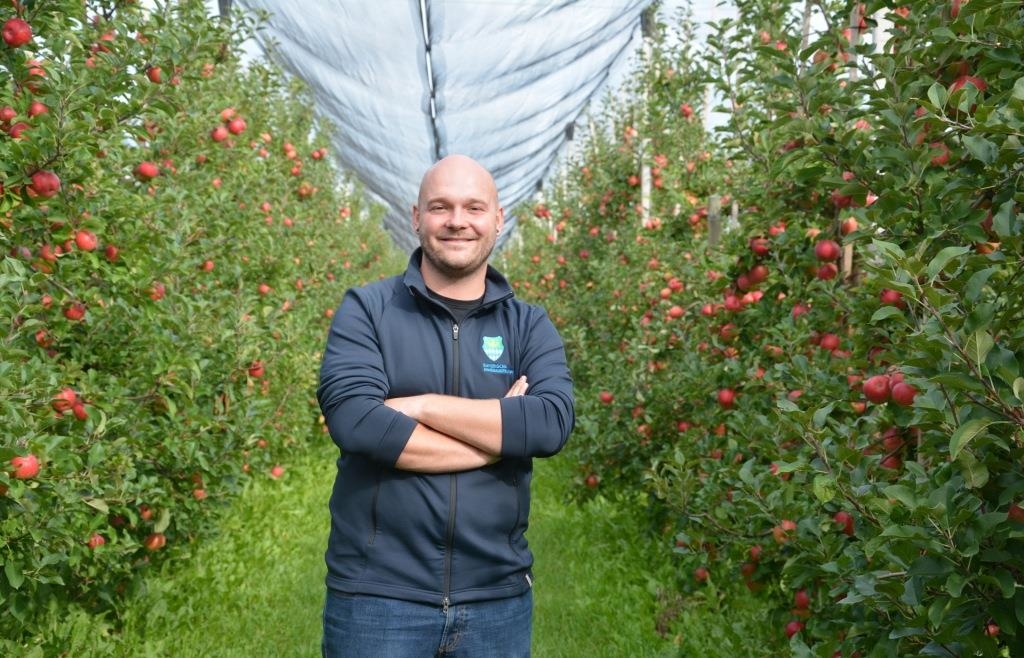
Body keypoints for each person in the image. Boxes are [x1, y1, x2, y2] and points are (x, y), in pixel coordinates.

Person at [317, 154, 575, 657]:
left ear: (499, 219)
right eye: (441, 207)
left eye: (474, 207)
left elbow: (548, 424)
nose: (458, 220)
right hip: (377, 597)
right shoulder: (368, 310)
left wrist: (422, 405)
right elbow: (357, 421)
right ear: (416, 217)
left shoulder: (528, 325)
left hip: (496, 596)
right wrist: (496, 439)